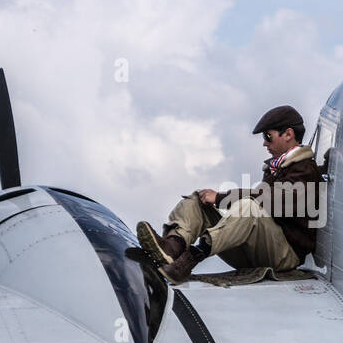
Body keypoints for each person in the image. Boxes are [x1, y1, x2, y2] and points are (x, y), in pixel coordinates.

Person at [136, 105, 325, 284]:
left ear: (288, 134)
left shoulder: (305, 170)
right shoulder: (275, 167)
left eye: (268, 136)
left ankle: (189, 259)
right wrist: (212, 200)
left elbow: (269, 199)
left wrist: (220, 198)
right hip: (259, 249)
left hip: (284, 255)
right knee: (198, 200)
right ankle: (172, 248)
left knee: (249, 208)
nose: (264, 143)